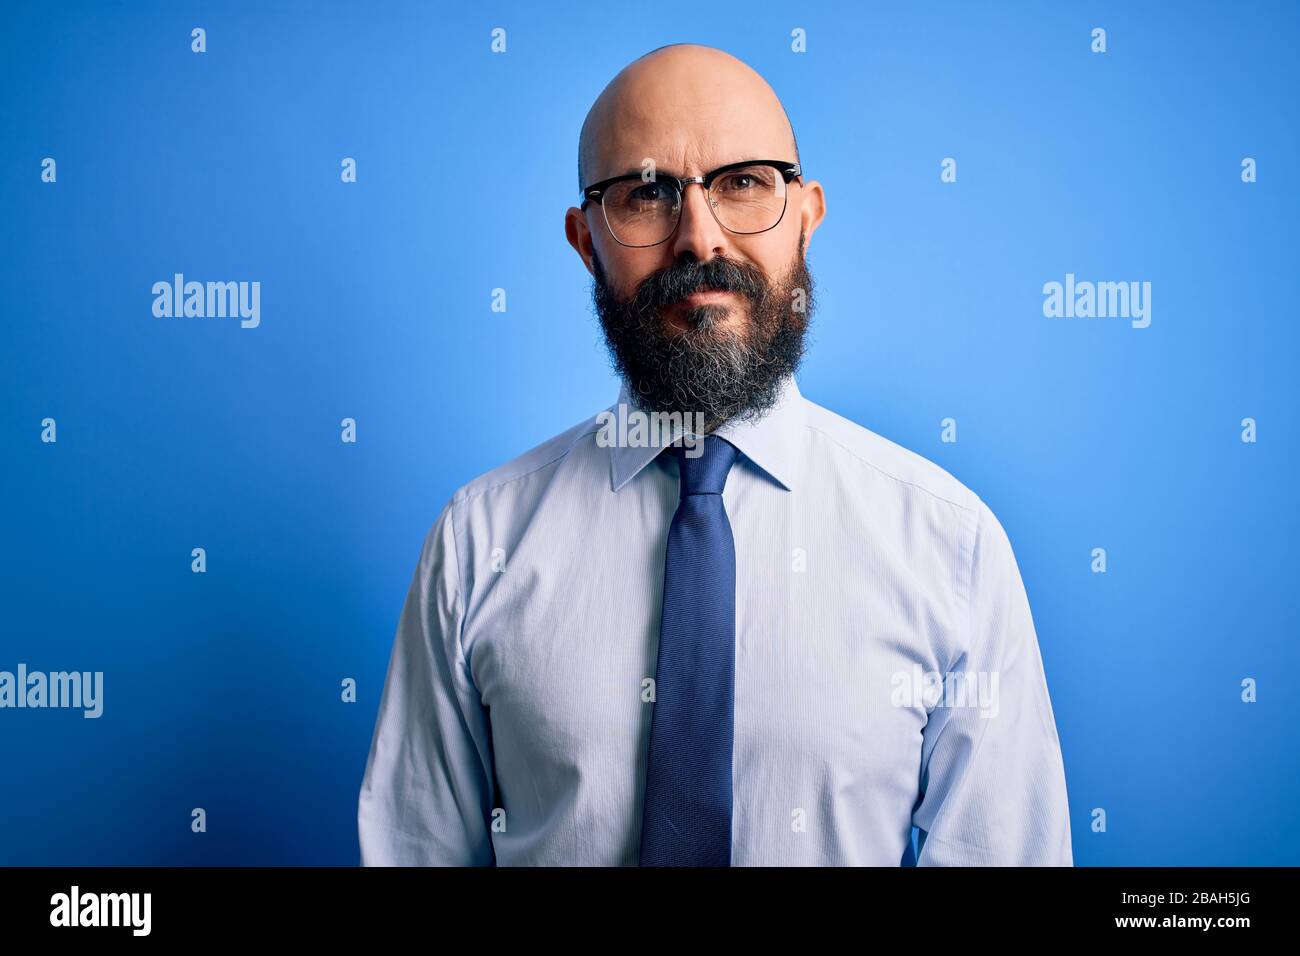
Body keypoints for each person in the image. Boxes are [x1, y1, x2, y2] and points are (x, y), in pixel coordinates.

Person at [357, 43, 1072, 866]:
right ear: (586, 241)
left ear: (806, 215)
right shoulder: (478, 542)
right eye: (647, 195)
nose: (699, 239)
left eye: (743, 183)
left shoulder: (951, 549)